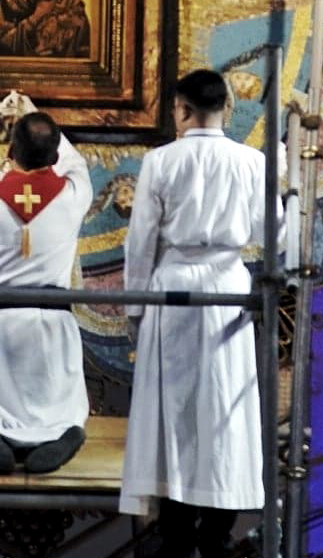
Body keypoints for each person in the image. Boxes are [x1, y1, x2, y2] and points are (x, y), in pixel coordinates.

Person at [119, 69, 277, 558]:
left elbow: (142, 239)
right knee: (224, 411)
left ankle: (177, 534)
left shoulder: (161, 161)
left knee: (174, 412)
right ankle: (217, 533)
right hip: (229, 283)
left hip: (173, 286)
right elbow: (274, 232)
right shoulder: (253, 161)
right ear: (226, 107)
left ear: (183, 109)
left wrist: (135, 306)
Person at [0, 101, 91, 474]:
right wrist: (33, 109)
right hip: (54, 316)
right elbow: (75, 163)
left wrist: (2, 176)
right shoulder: (74, 195)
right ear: (55, 154)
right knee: (58, 393)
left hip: (0, 318)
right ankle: (62, 431)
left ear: (10, 152)